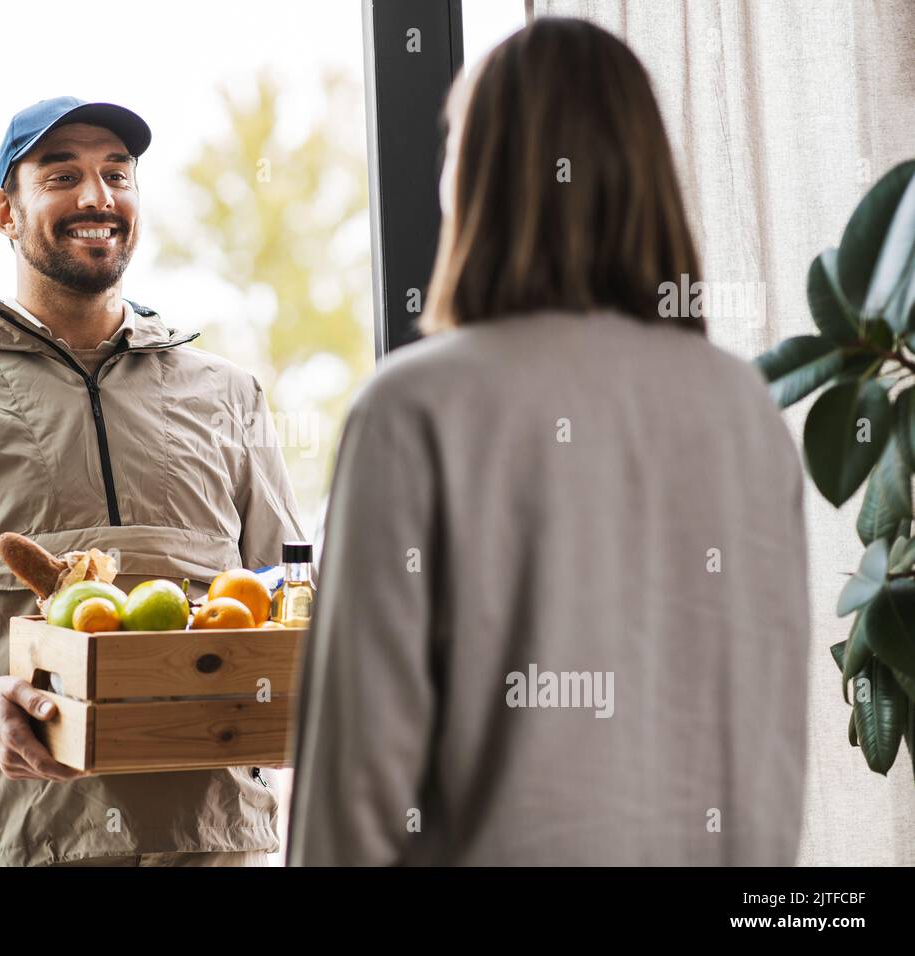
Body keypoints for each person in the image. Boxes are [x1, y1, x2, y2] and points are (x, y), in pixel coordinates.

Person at [287, 19, 810, 866]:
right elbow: (768, 757)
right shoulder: (742, 408)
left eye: (456, 142)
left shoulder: (413, 408)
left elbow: (351, 802)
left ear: (481, 174)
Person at [0, 96, 305, 867]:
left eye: (118, 174)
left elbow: (290, 592)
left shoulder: (228, 394)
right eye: (62, 175)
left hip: (215, 843)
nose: (97, 197)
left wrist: (300, 700)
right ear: (4, 212)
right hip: (17, 844)